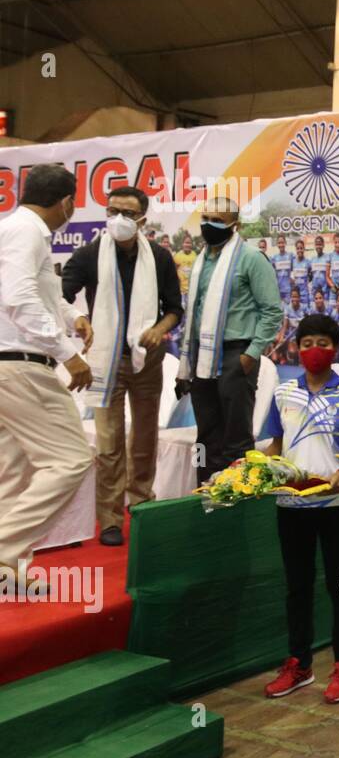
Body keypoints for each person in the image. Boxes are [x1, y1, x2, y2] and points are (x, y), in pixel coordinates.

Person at [61, 186, 184, 546]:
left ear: (142, 219)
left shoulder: (159, 257)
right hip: (104, 358)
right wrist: (79, 318)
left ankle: (142, 504)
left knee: (145, 437)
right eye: (112, 211)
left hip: (147, 358)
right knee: (109, 442)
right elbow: (61, 296)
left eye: (127, 214)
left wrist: (158, 331)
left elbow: (175, 308)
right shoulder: (88, 255)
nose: (118, 219)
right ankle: (110, 518)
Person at [262, 313, 339, 705]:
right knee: (297, 587)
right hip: (291, 504)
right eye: (305, 344)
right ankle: (299, 664)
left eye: (321, 343)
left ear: (335, 348)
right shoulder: (283, 394)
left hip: (338, 504)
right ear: (297, 348)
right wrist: (261, 471)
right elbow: (275, 445)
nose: (313, 351)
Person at [0, 164, 95, 584]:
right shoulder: (26, 232)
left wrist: (73, 316)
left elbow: (40, 293)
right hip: (23, 364)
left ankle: (7, 570)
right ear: (66, 202)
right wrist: (67, 353)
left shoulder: (19, 228)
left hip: (10, 365)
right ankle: (2, 548)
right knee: (71, 459)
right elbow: (18, 297)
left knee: (15, 470)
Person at [176, 197, 283, 483]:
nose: (209, 224)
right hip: (202, 357)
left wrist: (252, 353)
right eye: (205, 217)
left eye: (218, 220)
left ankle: (238, 494)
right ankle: (203, 486)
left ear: (235, 225)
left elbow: (272, 312)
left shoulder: (251, 258)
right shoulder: (200, 261)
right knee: (206, 433)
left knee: (236, 434)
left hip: (237, 354)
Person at [274, 286, 306, 364]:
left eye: (296, 297)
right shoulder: (288, 308)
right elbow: (285, 326)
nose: (294, 299)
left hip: (301, 337)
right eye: (293, 297)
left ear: (299, 297)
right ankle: (284, 355)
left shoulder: (304, 308)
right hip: (292, 337)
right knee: (292, 351)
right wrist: (282, 337)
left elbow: (307, 324)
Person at [271, 235, 293, 304]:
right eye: (279, 243)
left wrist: (292, 279)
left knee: (287, 310)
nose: (281, 244)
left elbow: (294, 268)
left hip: (288, 289)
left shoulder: (290, 255)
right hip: (278, 289)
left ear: (285, 243)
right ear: (277, 244)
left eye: (282, 242)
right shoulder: (274, 258)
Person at [289, 238, 311, 307]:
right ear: (296, 249)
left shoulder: (308, 262)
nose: (300, 250)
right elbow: (287, 273)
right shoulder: (293, 261)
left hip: (305, 295)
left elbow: (312, 276)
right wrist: (292, 281)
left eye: (301, 248)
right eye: (298, 248)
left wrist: (308, 282)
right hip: (295, 296)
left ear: (304, 249)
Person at [308, 234, 330, 302]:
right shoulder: (312, 260)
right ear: (315, 246)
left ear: (323, 245)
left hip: (325, 293)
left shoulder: (328, 258)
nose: (318, 246)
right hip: (314, 293)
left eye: (320, 244)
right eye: (317, 244)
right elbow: (309, 277)